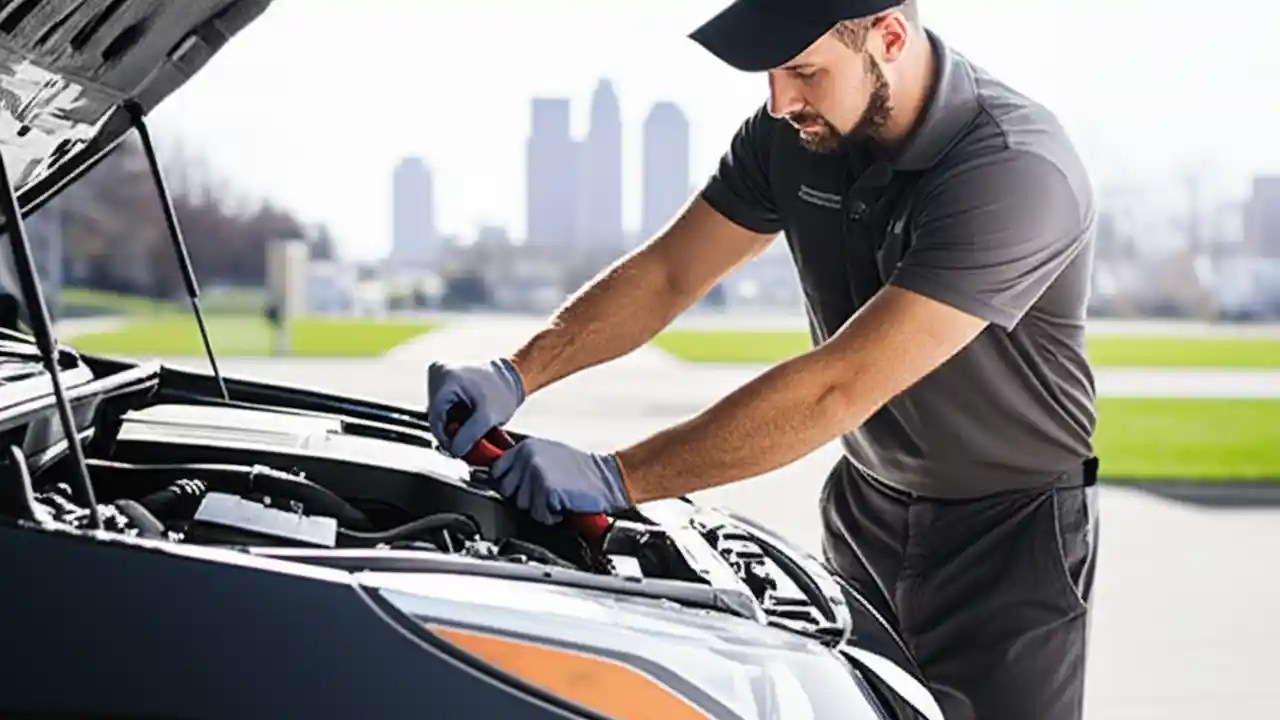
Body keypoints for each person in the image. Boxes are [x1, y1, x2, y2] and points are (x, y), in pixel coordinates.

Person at [426, 1, 1100, 718]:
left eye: (803, 70)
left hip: (1008, 541)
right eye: (772, 73)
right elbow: (668, 275)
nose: (780, 100)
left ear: (890, 38)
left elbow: (836, 388)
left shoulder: (1012, 169)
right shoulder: (795, 134)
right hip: (867, 507)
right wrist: (516, 372)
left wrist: (616, 476)